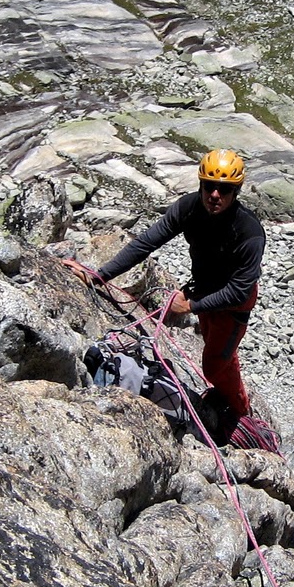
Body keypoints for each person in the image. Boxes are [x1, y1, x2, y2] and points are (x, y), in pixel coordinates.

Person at [92, 149, 265, 421]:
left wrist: (191, 306)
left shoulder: (249, 232)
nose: (215, 195)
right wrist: (99, 275)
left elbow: (239, 290)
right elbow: (146, 243)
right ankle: (226, 388)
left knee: (213, 366)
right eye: (209, 186)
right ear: (200, 184)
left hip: (233, 305)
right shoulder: (188, 208)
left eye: (224, 189)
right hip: (204, 289)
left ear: (236, 191)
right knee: (216, 349)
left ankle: (239, 412)